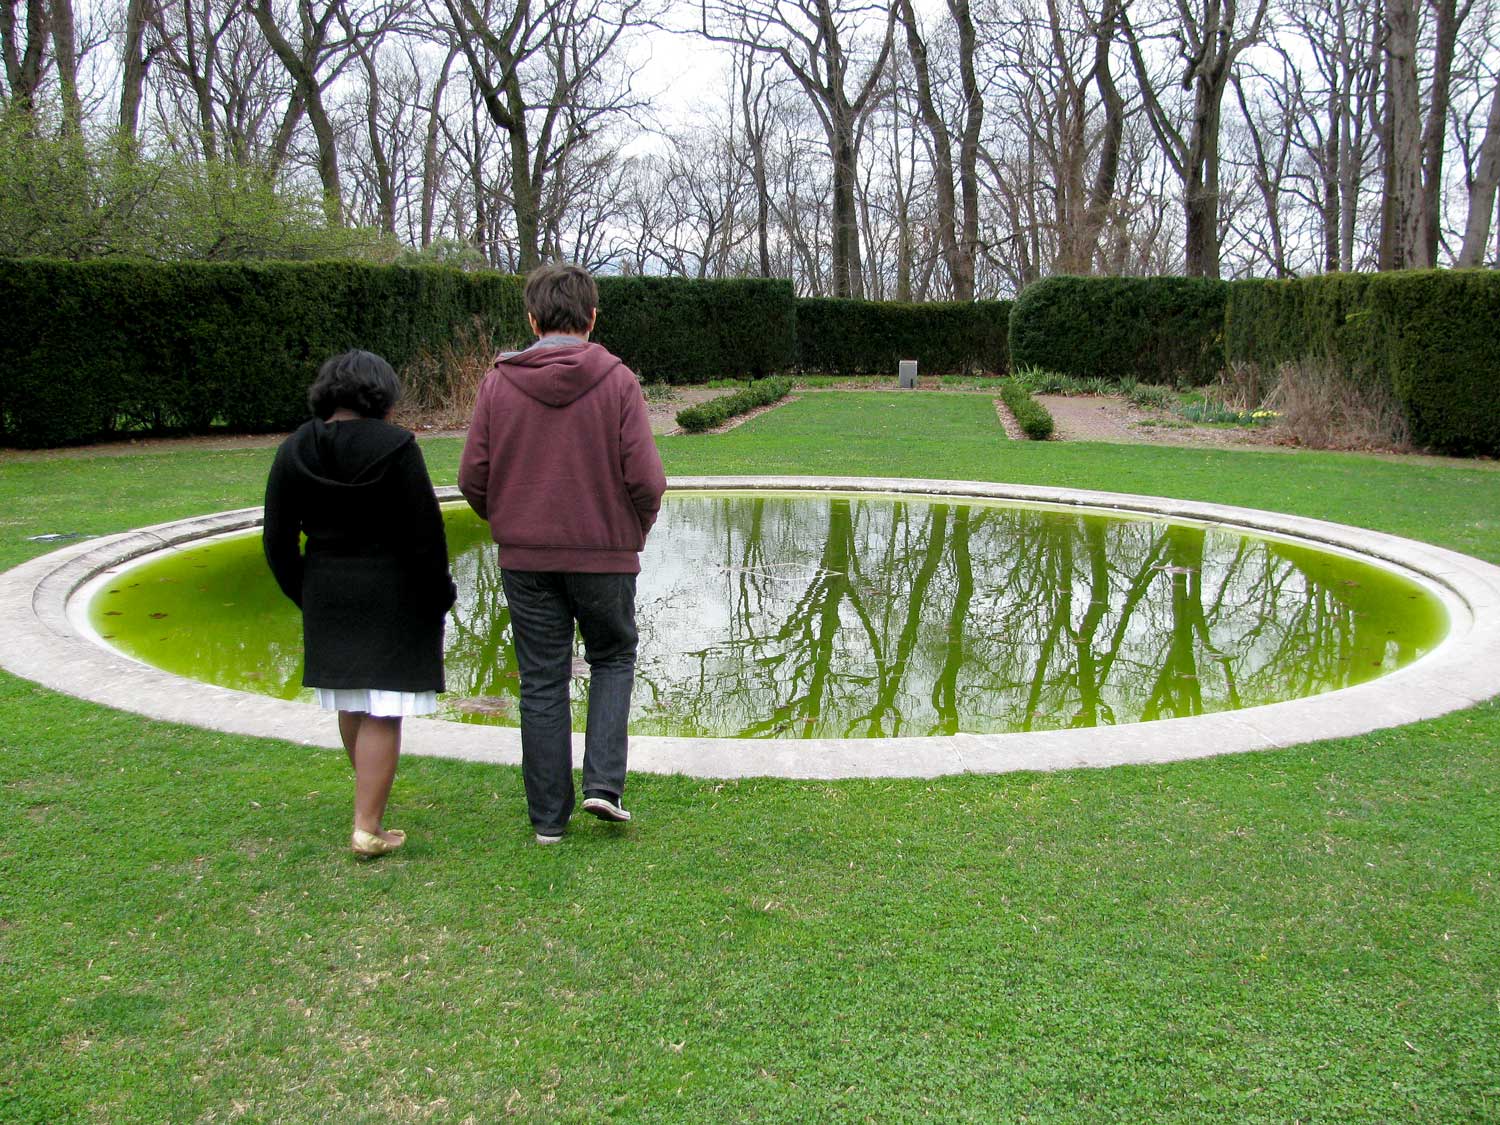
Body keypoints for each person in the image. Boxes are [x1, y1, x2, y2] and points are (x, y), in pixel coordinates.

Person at [459, 263, 667, 845]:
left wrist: (513, 523)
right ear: (592, 317)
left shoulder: (498, 383)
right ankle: (604, 785)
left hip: (527, 561)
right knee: (613, 658)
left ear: (533, 319)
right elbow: (647, 480)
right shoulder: (618, 381)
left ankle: (548, 820)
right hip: (604, 554)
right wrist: (633, 530)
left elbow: (473, 477)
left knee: (542, 681)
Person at [263, 350, 457, 858]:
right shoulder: (397, 447)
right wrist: (439, 594)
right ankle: (367, 827)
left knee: (350, 697)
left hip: (327, 590)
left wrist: (306, 593)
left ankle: (369, 811)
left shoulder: (293, 449)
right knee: (384, 710)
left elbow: (277, 542)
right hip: (394, 591)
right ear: (382, 393)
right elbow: (425, 536)